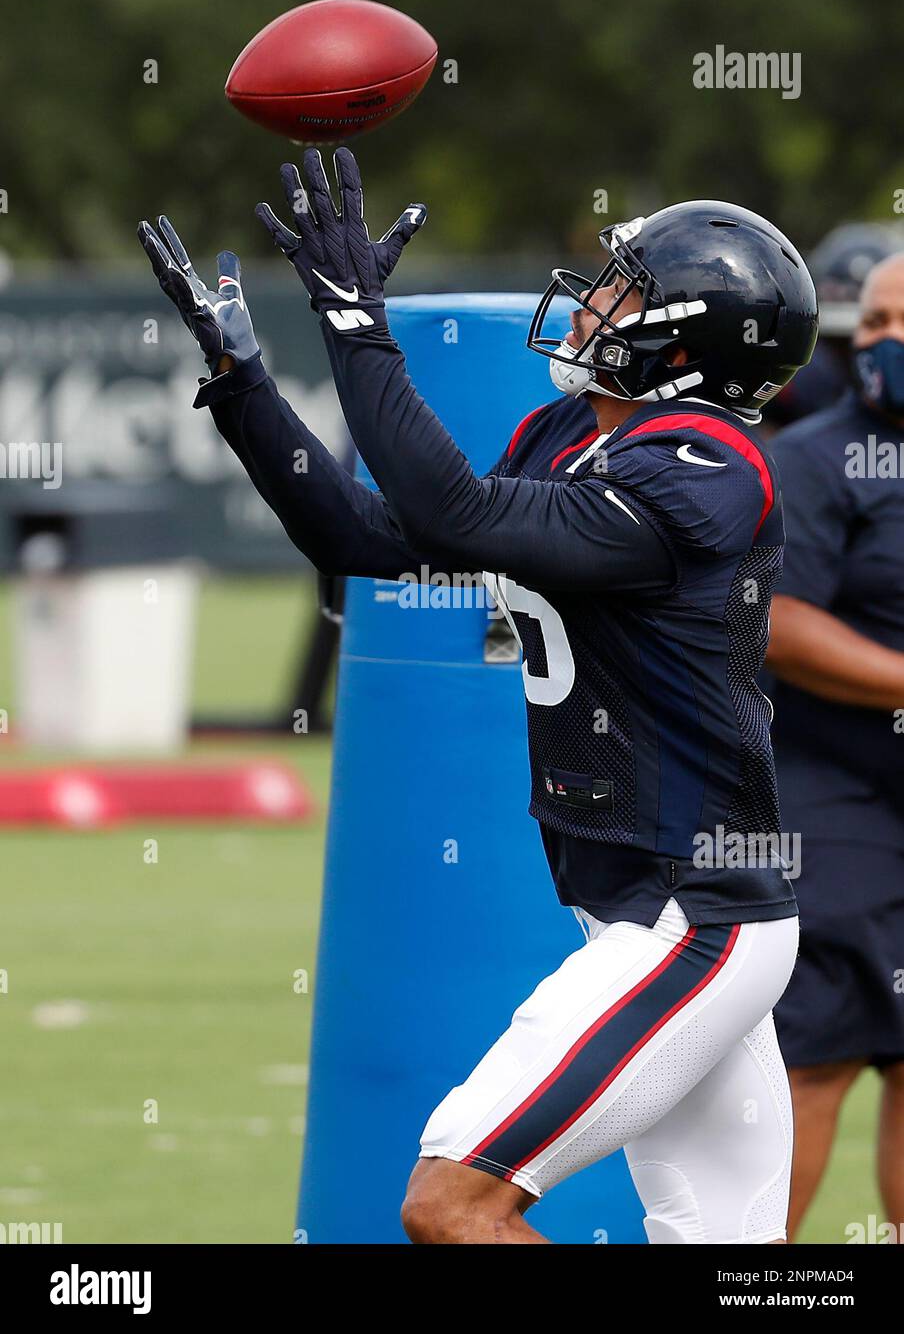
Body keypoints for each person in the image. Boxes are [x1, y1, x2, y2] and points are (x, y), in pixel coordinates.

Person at [138, 149, 817, 1245]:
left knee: (454, 1203)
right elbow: (363, 534)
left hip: (692, 915)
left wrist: (359, 323)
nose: (595, 299)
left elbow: (449, 509)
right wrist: (242, 384)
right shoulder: (565, 435)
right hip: (639, 904)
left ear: (680, 347)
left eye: (626, 286)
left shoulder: (704, 467)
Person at [766, 251, 904, 1240]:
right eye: (874, 318)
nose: (881, 338)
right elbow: (776, 623)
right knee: (813, 1054)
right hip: (836, 794)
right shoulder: (813, 456)